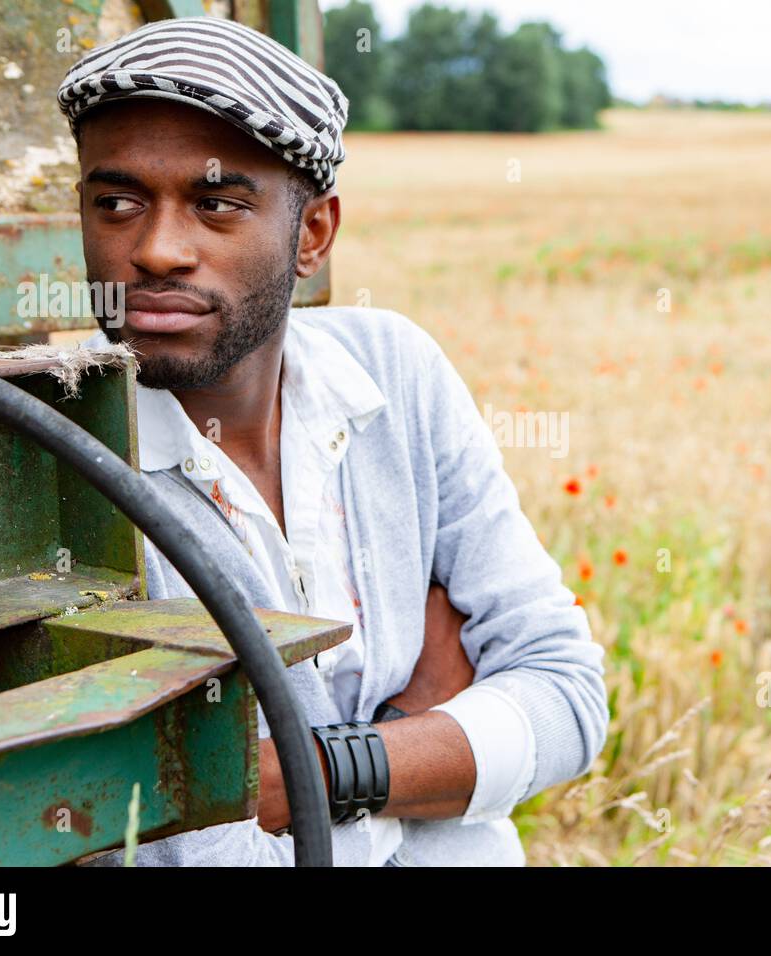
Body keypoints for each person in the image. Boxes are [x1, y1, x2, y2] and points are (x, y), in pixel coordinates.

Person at [58, 15, 608, 866]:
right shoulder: (56, 462)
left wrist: (310, 770)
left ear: (312, 234)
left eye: (216, 203)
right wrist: (417, 744)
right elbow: (187, 849)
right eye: (118, 203)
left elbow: (568, 697)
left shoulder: (394, 372)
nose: (157, 250)